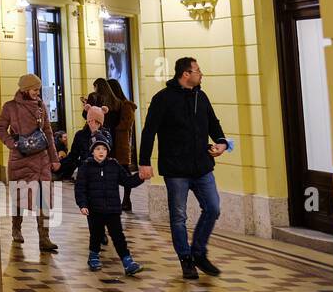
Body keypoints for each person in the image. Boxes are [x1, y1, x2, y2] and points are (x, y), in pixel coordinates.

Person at [139, 57, 229, 280]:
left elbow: (213, 123)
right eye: (198, 70)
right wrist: (144, 162)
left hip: (202, 166)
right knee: (179, 217)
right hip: (176, 169)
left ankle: (198, 252)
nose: (201, 74)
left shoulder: (201, 96)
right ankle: (186, 258)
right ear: (185, 74)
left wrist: (221, 142)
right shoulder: (163, 99)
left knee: (213, 208)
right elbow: (149, 131)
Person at [0, 73, 61, 252]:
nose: (37, 92)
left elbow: (48, 133)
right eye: (34, 89)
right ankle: (16, 228)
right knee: (20, 197)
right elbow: (0, 128)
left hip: (41, 159)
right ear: (24, 89)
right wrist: (12, 143)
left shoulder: (41, 106)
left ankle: (44, 238)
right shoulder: (10, 107)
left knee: (44, 198)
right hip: (20, 158)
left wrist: (54, 158)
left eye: (38, 89)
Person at [75, 136, 143, 275]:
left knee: (118, 236)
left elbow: (127, 181)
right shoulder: (86, 167)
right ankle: (93, 256)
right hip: (95, 210)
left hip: (112, 209)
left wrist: (140, 177)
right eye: (98, 149)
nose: (101, 151)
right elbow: (80, 188)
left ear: (108, 151)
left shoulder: (114, 165)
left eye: (104, 149)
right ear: (92, 151)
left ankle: (127, 261)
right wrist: (82, 204)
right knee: (96, 234)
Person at [106, 77, 139, 212]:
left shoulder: (126, 105)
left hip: (120, 145)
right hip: (110, 144)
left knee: (125, 173)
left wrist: (113, 128)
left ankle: (126, 200)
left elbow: (126, 124)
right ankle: (116, 201)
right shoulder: (110, 106)